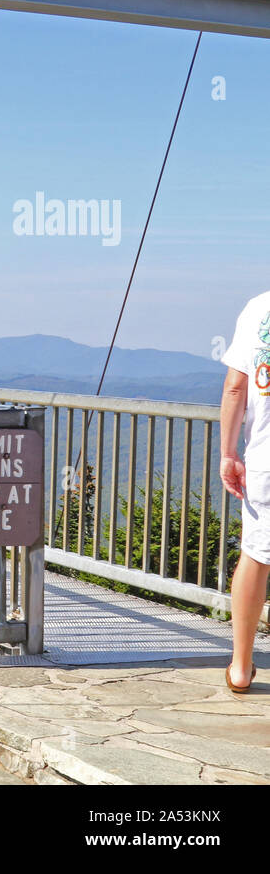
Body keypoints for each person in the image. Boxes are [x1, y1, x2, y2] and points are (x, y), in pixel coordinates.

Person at [221, 292, 270, 693]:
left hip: (265, 460)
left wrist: (227, 453)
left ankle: (240, 667)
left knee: (256, 556)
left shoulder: (259, 308)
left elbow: (236, 387)